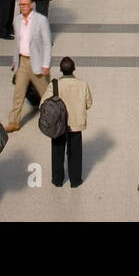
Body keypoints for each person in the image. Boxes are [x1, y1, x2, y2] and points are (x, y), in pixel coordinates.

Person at [6, 0, 52, 132]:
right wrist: (15, 61)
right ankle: (14, 122)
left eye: (25, 4)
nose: (22, 7)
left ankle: (54, 118)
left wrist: (45, 64)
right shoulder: (17, 20)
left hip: (36, 61)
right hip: (23, 62)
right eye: (20, 4)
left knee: (46, 93)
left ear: (32, 5)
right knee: (18, 93)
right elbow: (17, 43)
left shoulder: (40, 20)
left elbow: (46, 44)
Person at [52, 57, 93, 188]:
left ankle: (57, 180)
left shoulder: (55, 84)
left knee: (57, 152)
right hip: (76, 124)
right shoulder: (82, 84)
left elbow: (44, 103)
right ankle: (75, 180)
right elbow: (89, 103)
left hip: (59, 125)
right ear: (74, 69)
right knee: (75, 153)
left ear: (60, 70)